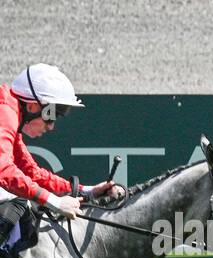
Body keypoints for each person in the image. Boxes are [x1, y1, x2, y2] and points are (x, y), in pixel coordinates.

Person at [1, 64, 123, 219]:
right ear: (32, 106)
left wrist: (86, 191)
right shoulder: (5, 114)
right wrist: (54, 202)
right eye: (50, 115)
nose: (51, 126)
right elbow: (4, 171)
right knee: (16, 202)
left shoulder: (11, 113)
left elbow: (31, 172)